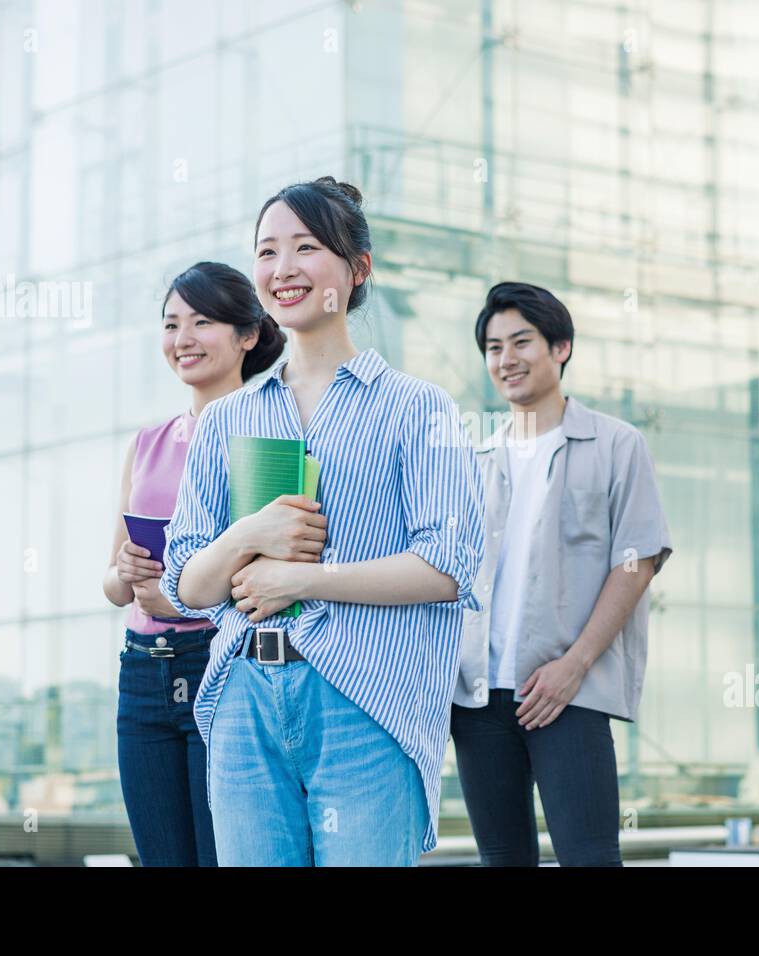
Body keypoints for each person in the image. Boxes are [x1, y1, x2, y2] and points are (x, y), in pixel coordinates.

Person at [159, 176, 485, 866]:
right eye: (267, 251)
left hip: (363, 698)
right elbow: (187, 582)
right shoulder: (227, 418)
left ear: (356, 269)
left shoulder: (417, 409)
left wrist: (302, 577)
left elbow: (447, 564)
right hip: (246, 695)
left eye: (305, 248)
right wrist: (247, 538)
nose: (282, 269)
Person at [451, 281, 672, 866]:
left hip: (568, 692)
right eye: (494, 347)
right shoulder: (474, 460)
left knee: (591, 858)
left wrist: (573, 668)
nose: (507, 359)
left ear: (561, 348)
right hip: (478, 700)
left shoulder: (617, 445)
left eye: (522, 341)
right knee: (502, 860)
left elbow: (637, 562)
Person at [103, 261, 285, 866]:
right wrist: (126, 574)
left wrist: (179, 595)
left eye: (203, 321)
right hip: (142, 676)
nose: (182, 338)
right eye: (172, 323)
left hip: (225, 663)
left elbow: (276, 575)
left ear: (248, 335)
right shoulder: (147, 441)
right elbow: (110, 585)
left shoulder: (267, 436)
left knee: (224, 857)